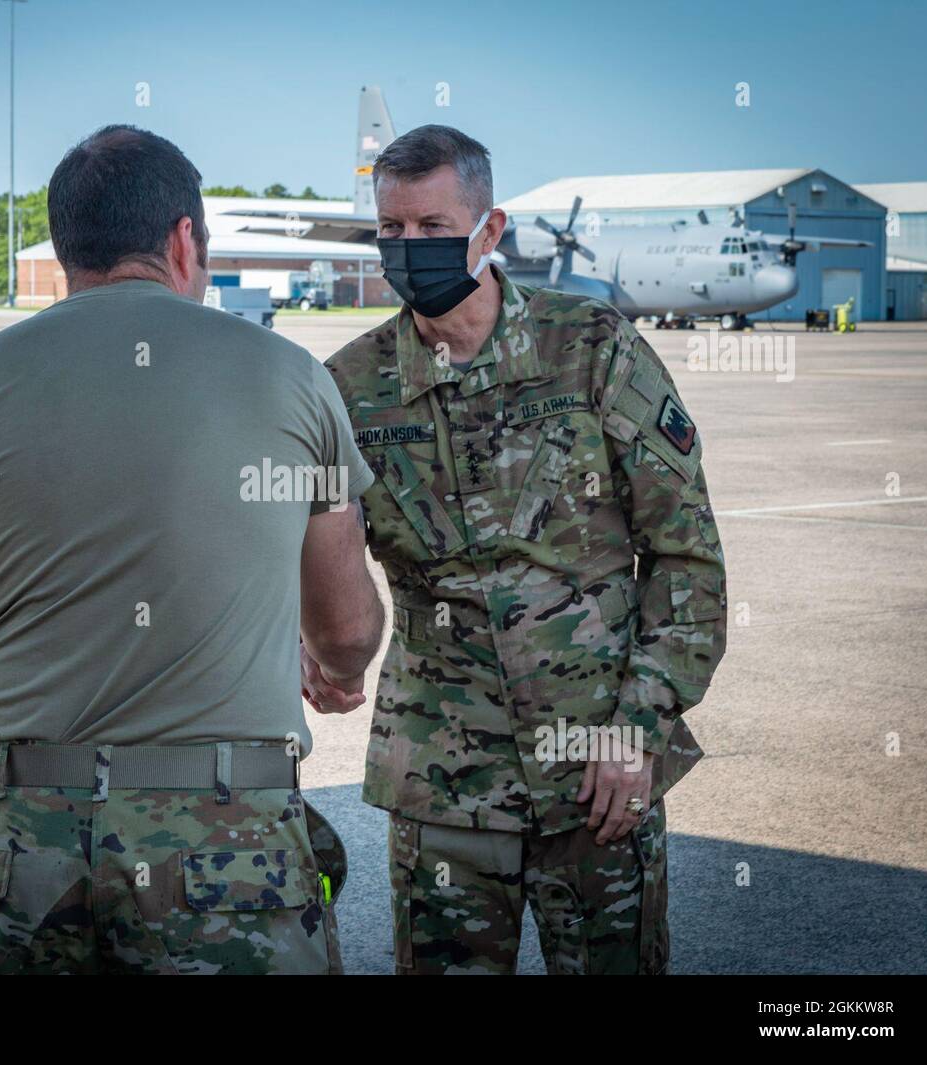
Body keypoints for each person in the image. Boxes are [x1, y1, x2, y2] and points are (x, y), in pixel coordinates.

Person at [0, 125, 383, 974]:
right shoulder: (291, 379)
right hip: (232, 858)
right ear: (184, 239)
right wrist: (338, 666)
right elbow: (349, 623)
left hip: (31, 864)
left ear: (67, 246)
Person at [311, 124, 727, 974]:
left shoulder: (593, 350)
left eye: (431, 228)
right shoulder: (346, 389)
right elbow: (304, 555)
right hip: (441, 784)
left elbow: (685, 558)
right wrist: (307, 645)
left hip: (597, 778)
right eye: (391, 230)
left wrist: (638, 728)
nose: (408, 248)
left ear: (489, 229)